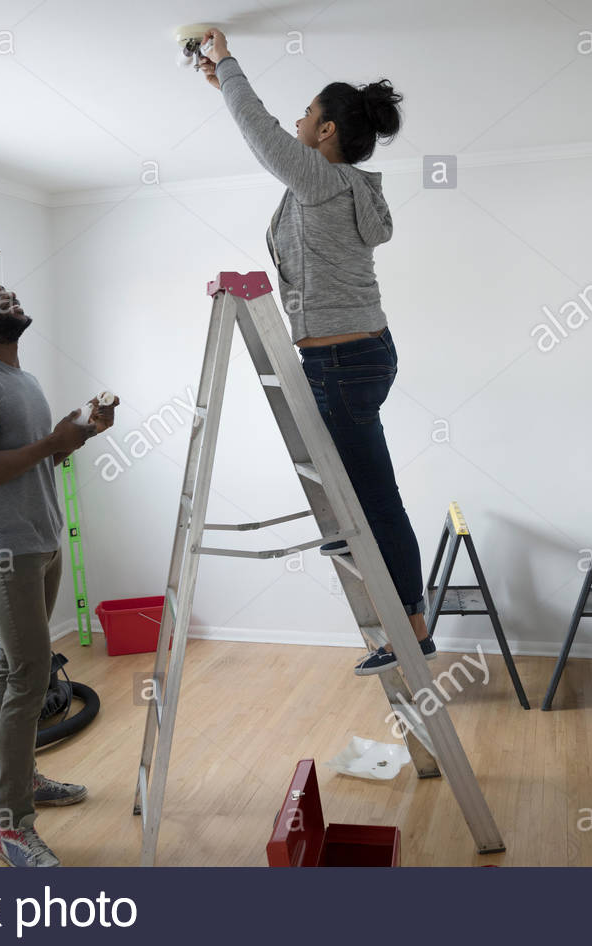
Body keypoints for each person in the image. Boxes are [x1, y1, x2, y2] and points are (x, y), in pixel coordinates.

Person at [199, 29, 432, 676]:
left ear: (327, 131)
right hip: (357, 352)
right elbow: (268, 125)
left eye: (308, 112)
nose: (298, 120)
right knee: (366, 492)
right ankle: (408, 618)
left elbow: (259, 129)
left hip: (343, 360)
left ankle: (411, 626)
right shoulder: (341, 185)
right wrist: (224, 84)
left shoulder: (319, 181)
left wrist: (228, 62)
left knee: (373, 498)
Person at [0, 270, 118, 866]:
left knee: (15, 667)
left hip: (40, 537)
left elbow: (43, 458)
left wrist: (79, 433)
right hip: (5, 547)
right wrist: (48, 444)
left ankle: (26, 776)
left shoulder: (23, 379)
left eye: (6, 289)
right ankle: (12, 827)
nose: (6, 295)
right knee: (29, 678)